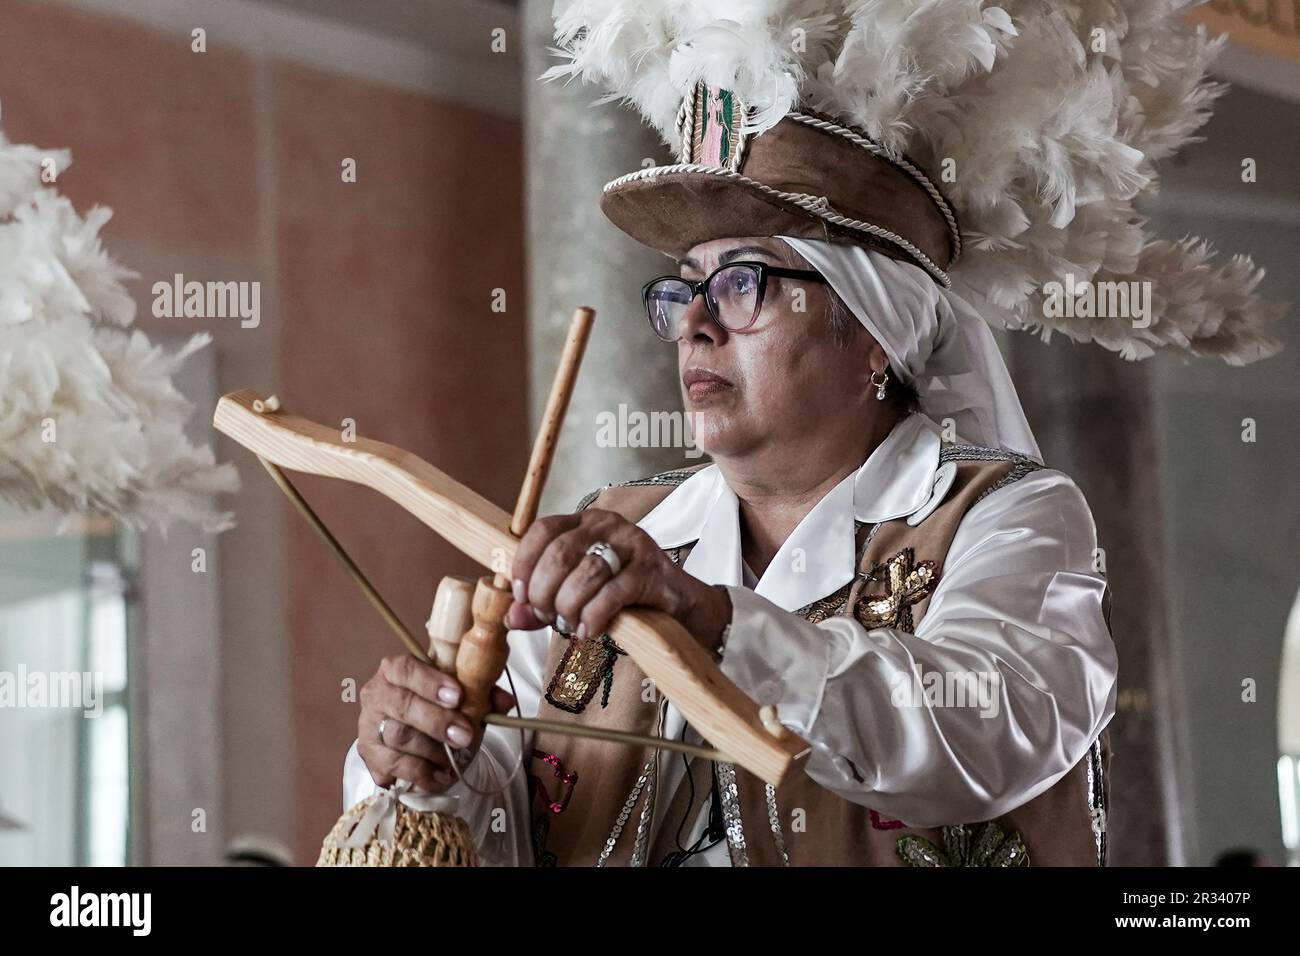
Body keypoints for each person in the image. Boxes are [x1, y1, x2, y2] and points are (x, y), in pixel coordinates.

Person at [343, 1, 1281, 867]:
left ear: (874, 334)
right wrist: (429, 766)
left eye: (744, 283)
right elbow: (506, 824)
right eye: (685, 289)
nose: (698, 324)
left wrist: (711, 620)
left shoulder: (1008, 520)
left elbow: (980, 729)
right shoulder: (615, 529)